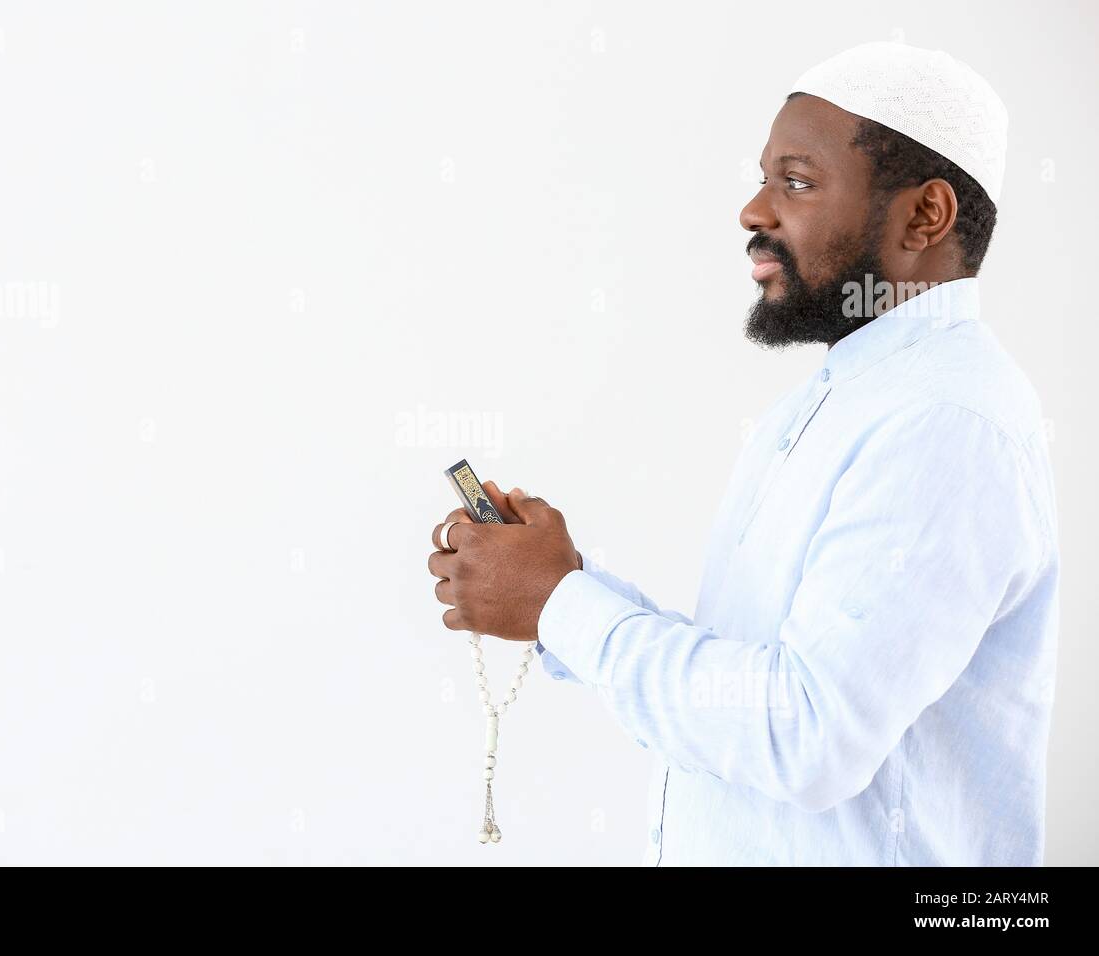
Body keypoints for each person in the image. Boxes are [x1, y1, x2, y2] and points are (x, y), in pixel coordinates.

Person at [426, 41, 1058, 866]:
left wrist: (557, 604)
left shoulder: (944, 419)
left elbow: (804, 735)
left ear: (924, 216)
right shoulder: (845, 397)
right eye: (765, 177)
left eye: (795, 181)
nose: (754, 210)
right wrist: (561, 589)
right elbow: (756, 681)